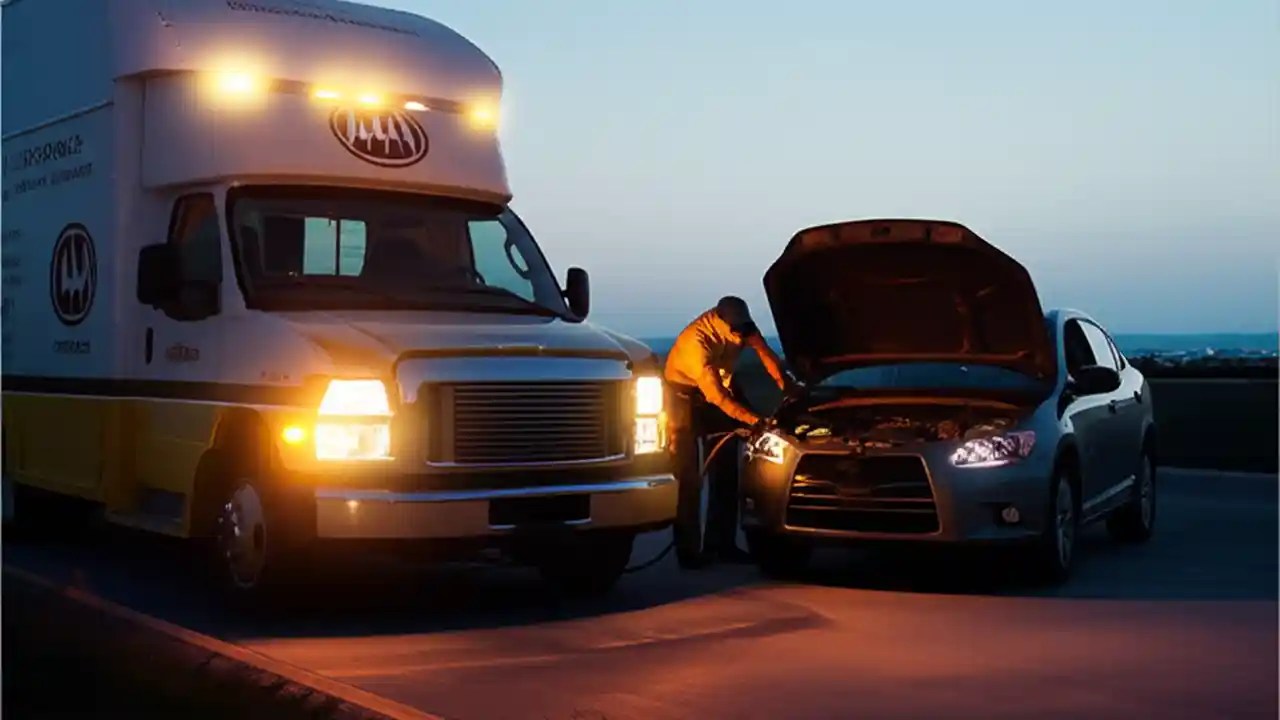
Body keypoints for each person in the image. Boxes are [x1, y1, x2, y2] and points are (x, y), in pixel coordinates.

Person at [664, 296, 791, 567]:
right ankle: (688, 552)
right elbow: (719, 399)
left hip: (720, 388)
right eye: (737, 332)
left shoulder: (742, 325)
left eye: (745, 330)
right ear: (721, 323)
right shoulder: (697, 345)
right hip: (683, 397)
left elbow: (766, 353)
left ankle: (721, 544)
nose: (742, 337)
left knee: (726, 466)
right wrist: (752, 419)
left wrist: (785, 384)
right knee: (689, 475)